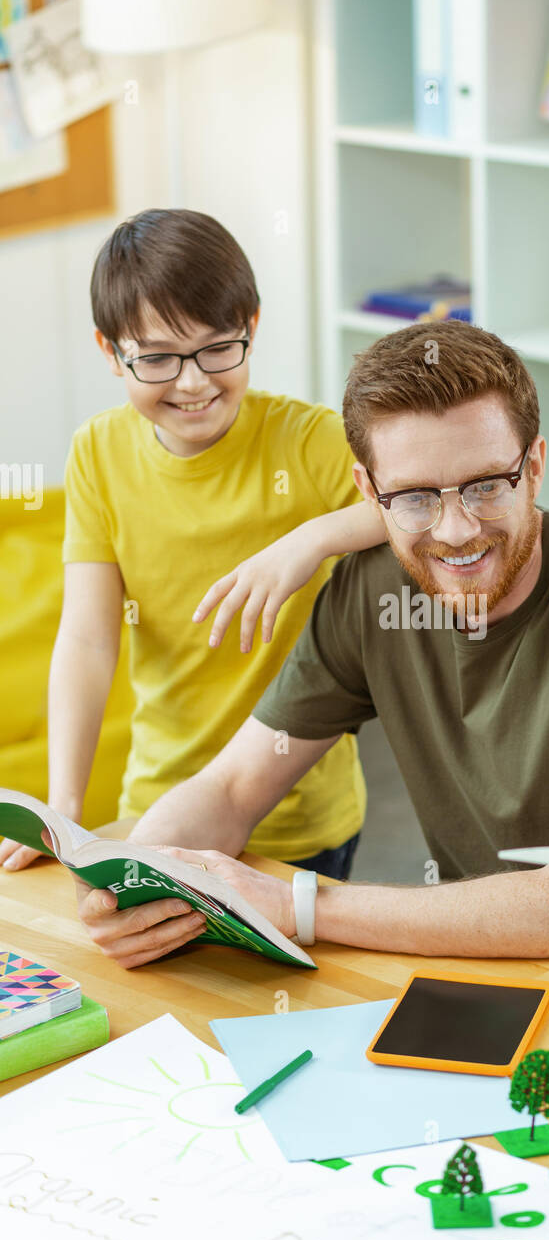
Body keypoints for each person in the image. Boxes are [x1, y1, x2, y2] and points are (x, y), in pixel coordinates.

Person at [69, 320, 549, 1021]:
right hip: (512, 975)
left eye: (487, 484)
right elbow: (231, 788)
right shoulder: (369, 592)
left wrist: (298, 905)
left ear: (537, 467)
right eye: (417, 497)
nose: (457, 530)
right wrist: (135, 876)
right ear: (369, 493)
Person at [0, 209, 386, 923]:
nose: (192, 383)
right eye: (157, 358)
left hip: (299, 820)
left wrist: (309, 541)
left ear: (252, 326)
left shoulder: (307, 440)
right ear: (111, 352)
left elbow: (405, 504)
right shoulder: (98, 454)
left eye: (218, 350)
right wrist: (64, 805)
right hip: (161, 805)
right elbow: (87, 639)